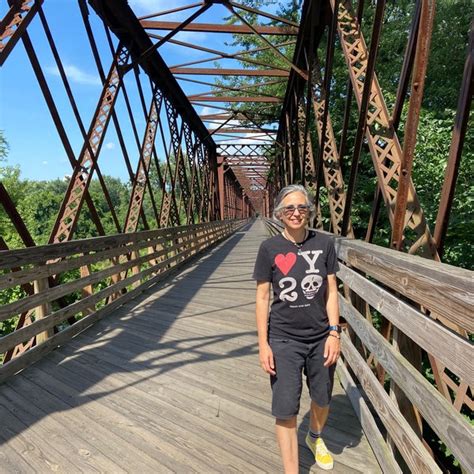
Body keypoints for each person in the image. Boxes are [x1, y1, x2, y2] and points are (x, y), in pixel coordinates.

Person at [253, 184, 341, 473]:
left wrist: (334, 332)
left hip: (320, 337)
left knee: (322, 398)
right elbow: (263, 297)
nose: (296, 213)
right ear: (279, 213)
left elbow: (331, 290)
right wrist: (264, 344)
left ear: (310, 211)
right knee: (286, 409)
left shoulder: (324, 244)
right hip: (283, 339)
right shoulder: (269, 248)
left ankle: (314, 436)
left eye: (302, 207)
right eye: (289, 208)